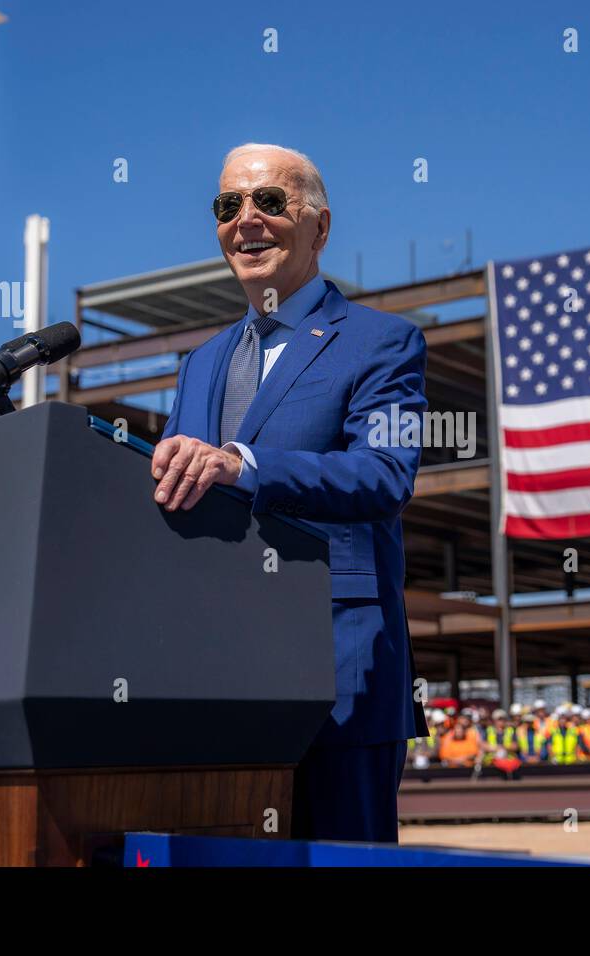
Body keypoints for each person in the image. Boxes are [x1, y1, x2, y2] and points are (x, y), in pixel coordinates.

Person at [153, 144, 427, 843]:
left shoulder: (386, 343)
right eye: (228, 206)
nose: (246, 219)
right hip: (212, 680)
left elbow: (386, 475)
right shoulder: (199, 364)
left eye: (270, 201)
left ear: (320, 227)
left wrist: (244, 465)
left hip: (338, 675)